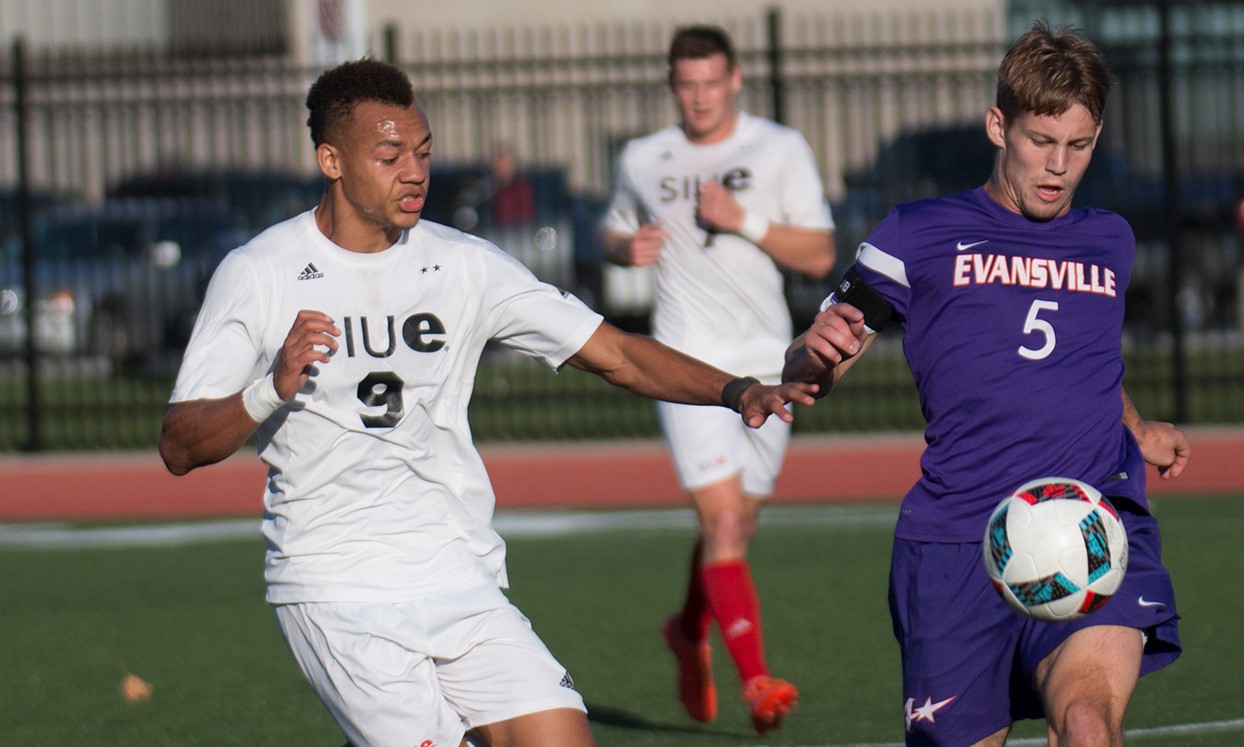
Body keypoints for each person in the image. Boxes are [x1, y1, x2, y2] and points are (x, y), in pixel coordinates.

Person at [157, 58, 818, 747]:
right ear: (331, 159)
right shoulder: (260, 273)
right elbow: (180, 444)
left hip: (458, 574)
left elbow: (616, 351)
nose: (414, 171)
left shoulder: (463, 263)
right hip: (337, 589)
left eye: (423, 152)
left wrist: (737, 388)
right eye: (389, 155)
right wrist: (269, 387)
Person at [783, 23, 1191, 747]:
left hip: (1088, 522)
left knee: (1089, 723)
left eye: (1080, 145)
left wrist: (1138, 426)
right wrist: (810, 356)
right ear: (998, 124)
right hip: (955, 545)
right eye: (1041, 140)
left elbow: (1086, 361)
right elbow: (818, 364)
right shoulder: (915, 234)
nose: (1059, 166)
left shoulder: (1111, 240)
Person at [601, 24, 835, 735]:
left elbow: (821, 255)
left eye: (711, 83)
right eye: (686, 84)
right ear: (673, 85)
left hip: (769, 359)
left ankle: (687, 629)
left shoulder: (779, 148)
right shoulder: (645, 158)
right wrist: (624, 245)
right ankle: (757, 681)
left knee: (740, 523)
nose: (699, 97)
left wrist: (746, 220)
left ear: (735, 80)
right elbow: (610, 229)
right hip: (687, 363)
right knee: (724, 520)